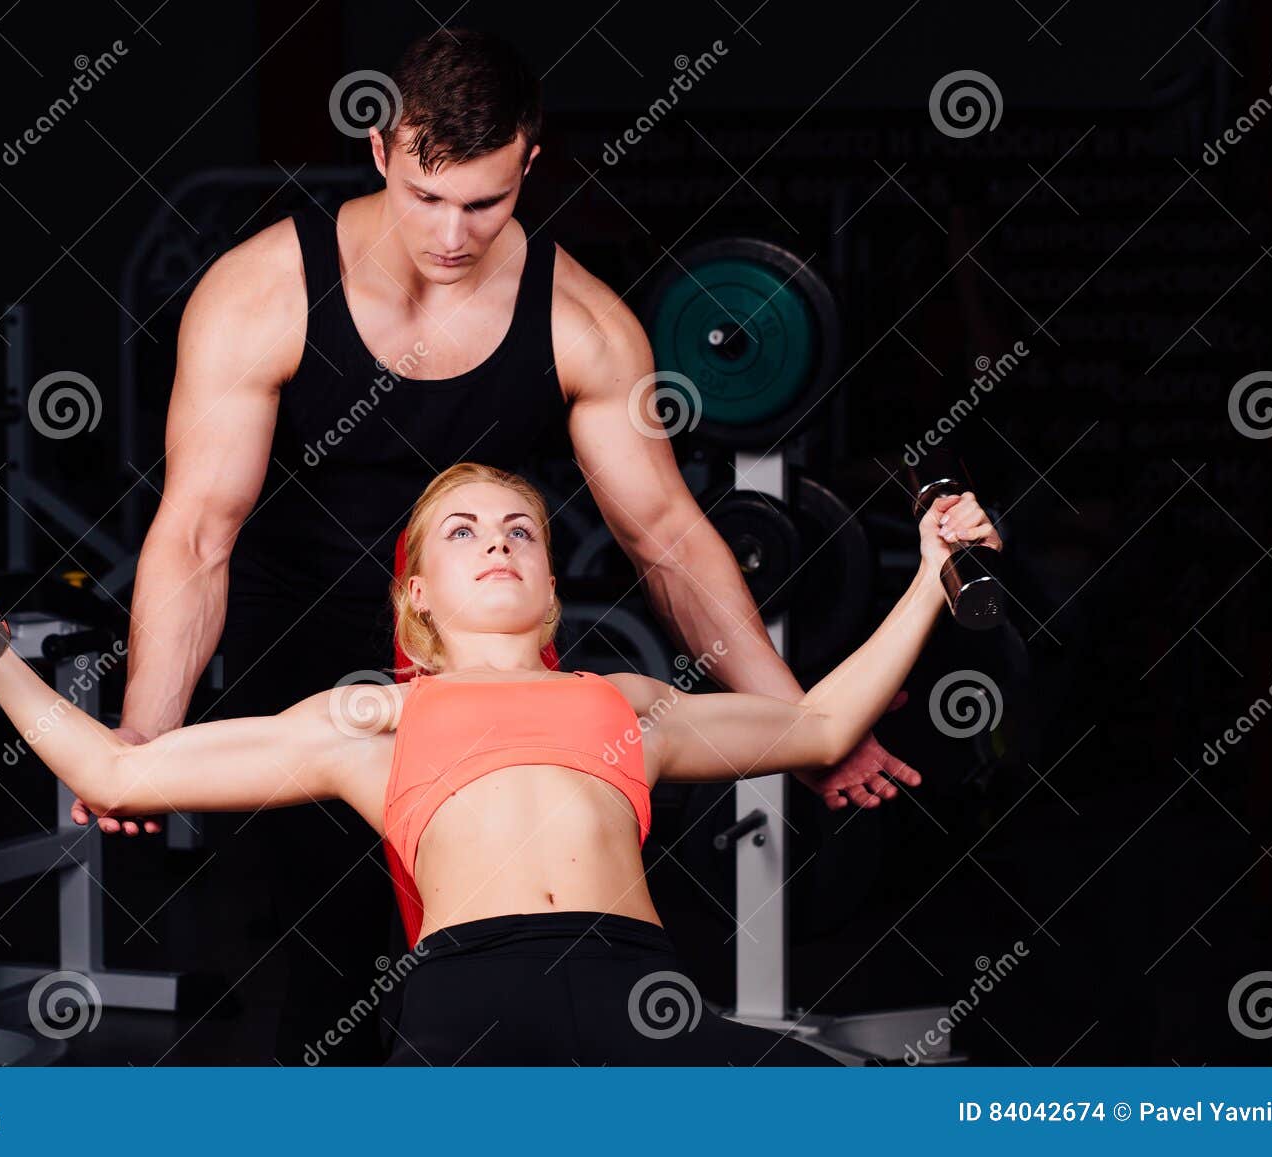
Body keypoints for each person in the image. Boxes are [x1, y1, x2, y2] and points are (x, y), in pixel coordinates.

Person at [94, 27, 925, 1065]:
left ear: (529, 165)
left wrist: (797, 724)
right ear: (382, 149)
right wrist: (141, 734)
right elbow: (197, 534)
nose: (451, 234)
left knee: (531, 957)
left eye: (484, 203)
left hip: (489, 664)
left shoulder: (580, 319)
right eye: (427, 196)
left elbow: (664, 534)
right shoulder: (260, 292)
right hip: (308, 646)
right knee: (332, 967)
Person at [0, 461, 1001, 1066]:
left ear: (551, 586)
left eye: (520, 529)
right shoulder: (368, 714)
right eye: (465, 531)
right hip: (467, 997)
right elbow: (118, 770)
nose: (500, 543)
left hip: (641, 989)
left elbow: (812, 725)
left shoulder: (624, 701)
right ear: (415, 590)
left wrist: (929, 571)